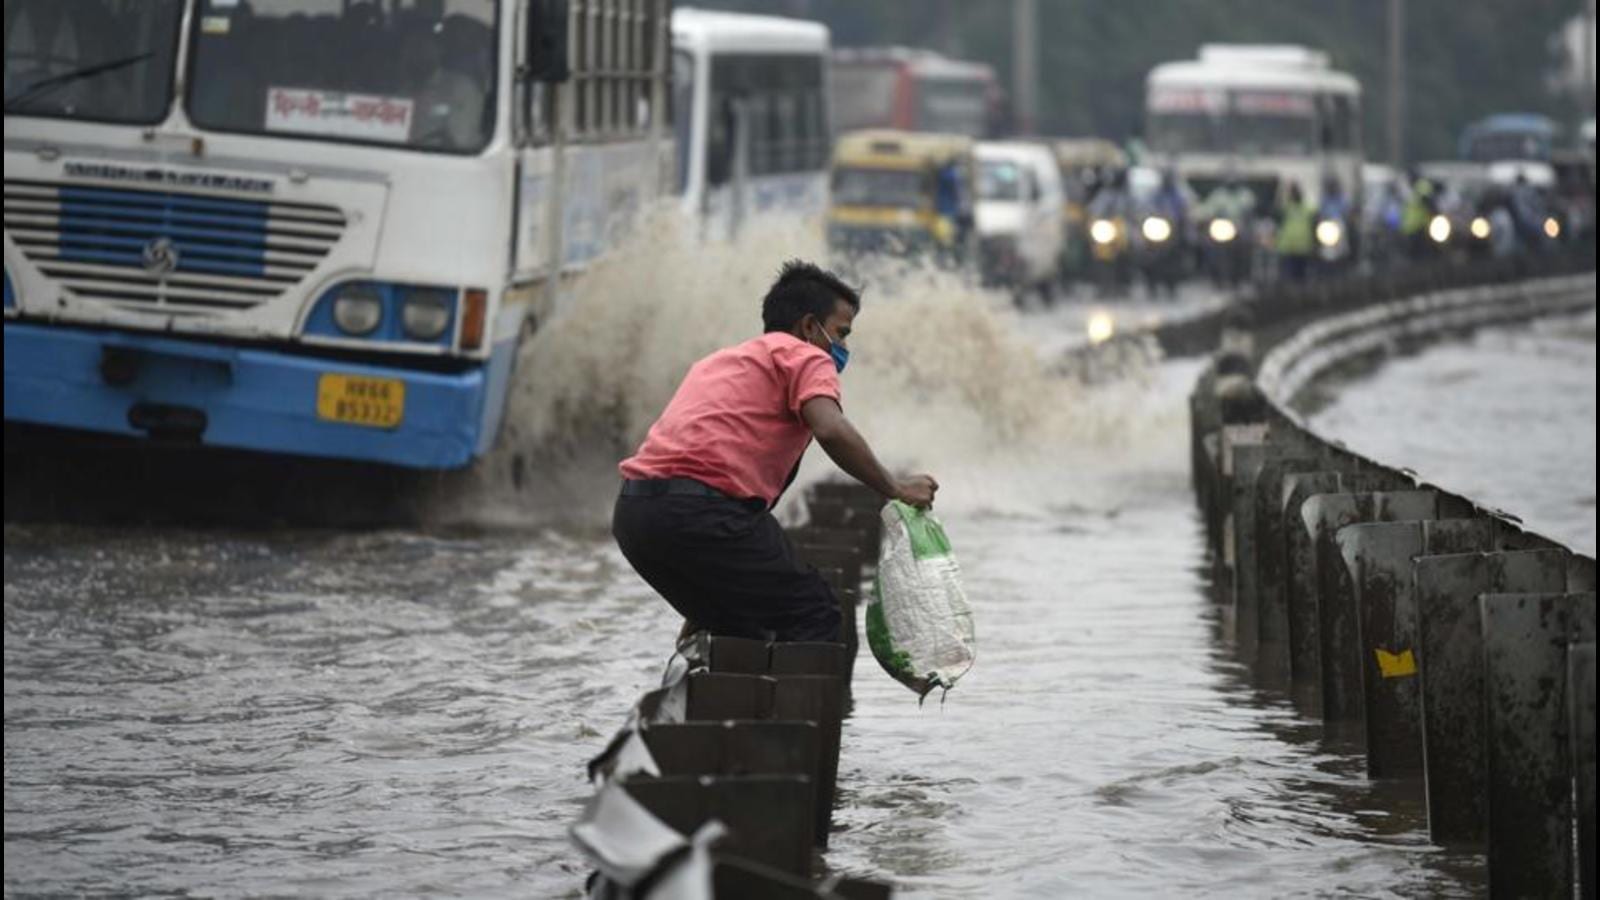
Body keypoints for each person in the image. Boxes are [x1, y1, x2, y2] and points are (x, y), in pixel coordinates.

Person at [612, 261, 940, 643]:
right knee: (816, 615)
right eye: (841, 333)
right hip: (703, 515)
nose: (844, 348)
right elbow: (830, 429)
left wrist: (705, 606)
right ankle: (786, 703)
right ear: (808, 326)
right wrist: (895, 488)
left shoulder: (720, 362)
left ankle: (704, 696)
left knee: (736, 628)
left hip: (635, 516)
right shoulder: (807, 357)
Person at [1275, 183, 1315, 284]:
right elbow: (1277, 210)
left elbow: (1317, 216)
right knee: (1288, 277)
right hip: (1288, 247)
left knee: (1301, 276)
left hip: (1303, 247)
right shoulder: (1287, 207)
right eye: (1293, 192)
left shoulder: (1307, 207)